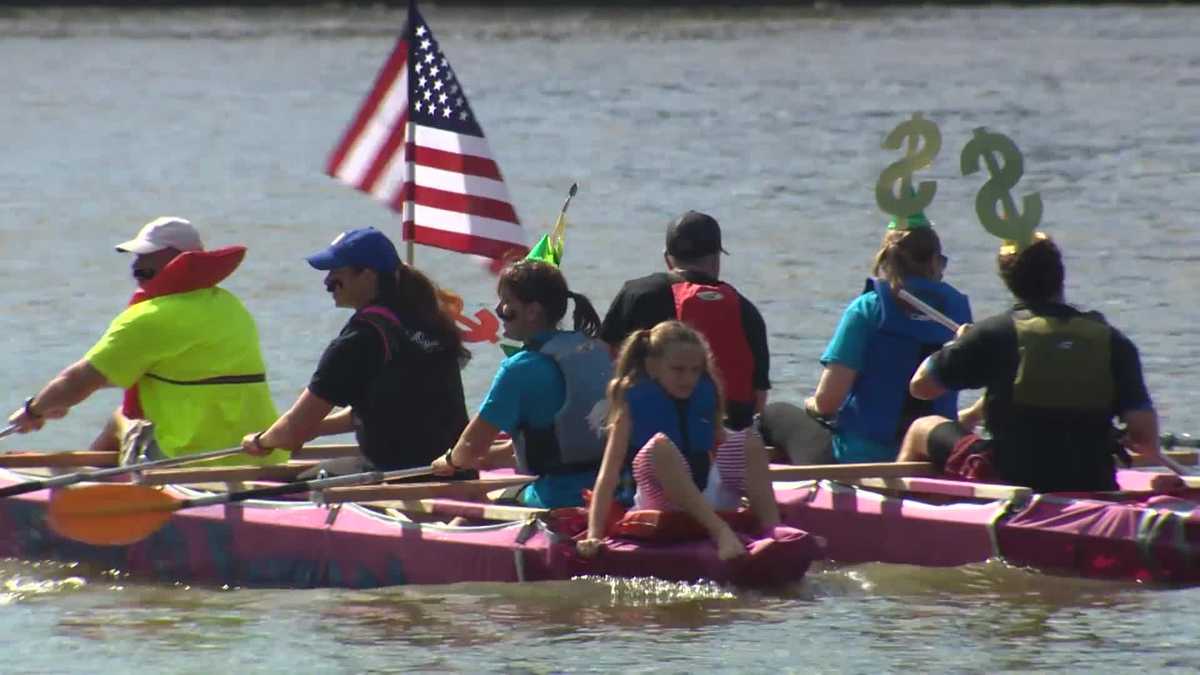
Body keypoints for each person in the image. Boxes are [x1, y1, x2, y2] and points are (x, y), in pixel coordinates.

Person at [6, 217, 286, 466]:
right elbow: (117, 372)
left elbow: (80, 378)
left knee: (121, 420)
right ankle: (99, 487)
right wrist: (59, 400)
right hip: (261, 454)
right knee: (125, 418)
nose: (136, 266)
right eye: (136, 258)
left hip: (187, 460)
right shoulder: (228, 304)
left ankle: (86, 493)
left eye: (146, 258)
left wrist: (34, 410)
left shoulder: (152, 317)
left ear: (179, 259)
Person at [900, 234, 1160, 493]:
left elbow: (921, 386)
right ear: (1060, 276)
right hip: (1093, 479)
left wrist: (958, 343)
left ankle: (903, 522)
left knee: (922, 427)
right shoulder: (1112, 340)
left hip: (1010, 479)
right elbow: (1146, 440)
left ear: (1010, 283)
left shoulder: (994, 333)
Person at [243, 227, 470, 474]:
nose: (328, 282)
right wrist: (315, 428)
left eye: (336, 272)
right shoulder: (429, 321)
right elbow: (387, 407)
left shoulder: (360, 338)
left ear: (367, 275)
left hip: (401, 476)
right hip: (458, 471)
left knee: (299, 483)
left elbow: (292, 431)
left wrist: (259, 441)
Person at [578, 321, 780, 561]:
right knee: (660, 446)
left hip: (704, 496)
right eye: (678, 369)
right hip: (655, 503)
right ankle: (721, 532)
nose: (688, 378)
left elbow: (720, 446)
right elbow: (607, 475)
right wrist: (594, 534)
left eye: (695, 370)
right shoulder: (632, 404)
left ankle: (774, 531)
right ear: (652, 367)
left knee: (750, 440)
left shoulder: (706, 394)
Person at [431, 260, 612, 508]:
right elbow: (556, 441)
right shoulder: (595, 349)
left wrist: (450, 462)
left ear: (532, 311)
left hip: (558, 498)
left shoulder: (520, 368)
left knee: (471, 509)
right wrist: (487, 458)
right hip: (612, 490)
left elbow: (471, 446)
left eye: (506, 302)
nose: (498, 309)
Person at [804, 213, 971, 464]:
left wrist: (810, 406)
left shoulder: (867, 310)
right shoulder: (959, 314)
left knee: (777, 416)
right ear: (936, 262)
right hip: (932, 456)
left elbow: (827, 403)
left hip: (865, 457)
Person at [599, 210, 769, 431]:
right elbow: (759, 400)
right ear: (716, 259)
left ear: (667, 258)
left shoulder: (636, 293)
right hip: (723, 436)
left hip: (648, 433)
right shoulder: (746, 310)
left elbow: (601, 362)